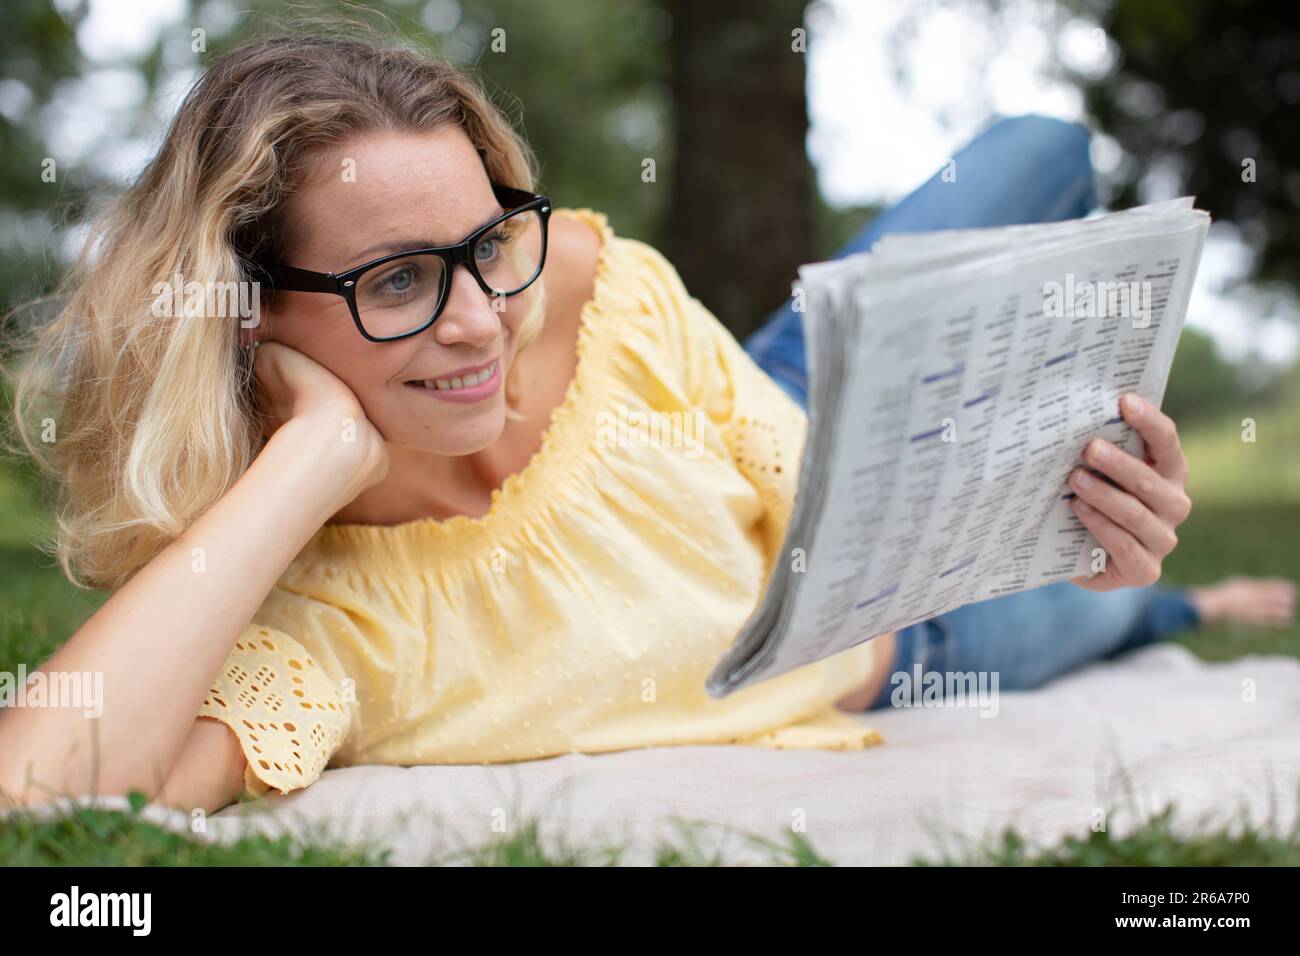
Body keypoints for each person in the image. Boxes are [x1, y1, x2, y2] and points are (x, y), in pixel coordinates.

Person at [0, 33, 1209, 814]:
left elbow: (814, 485)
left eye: (486, 245)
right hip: (908, 650)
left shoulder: (572, 274)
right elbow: (40, 788)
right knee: (1116, 614)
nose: (482, 322)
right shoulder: (314, 625)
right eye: (401, 281)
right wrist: (308, 459)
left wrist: (1013, 495)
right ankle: (1196, 602)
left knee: (1045, 149)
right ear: (247, 318)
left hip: (796, 446)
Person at [744, 113, 1295, 711]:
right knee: (1102, 596)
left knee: (1050, 145)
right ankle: (1197, 604)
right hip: (877, 636)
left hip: (777, 398)